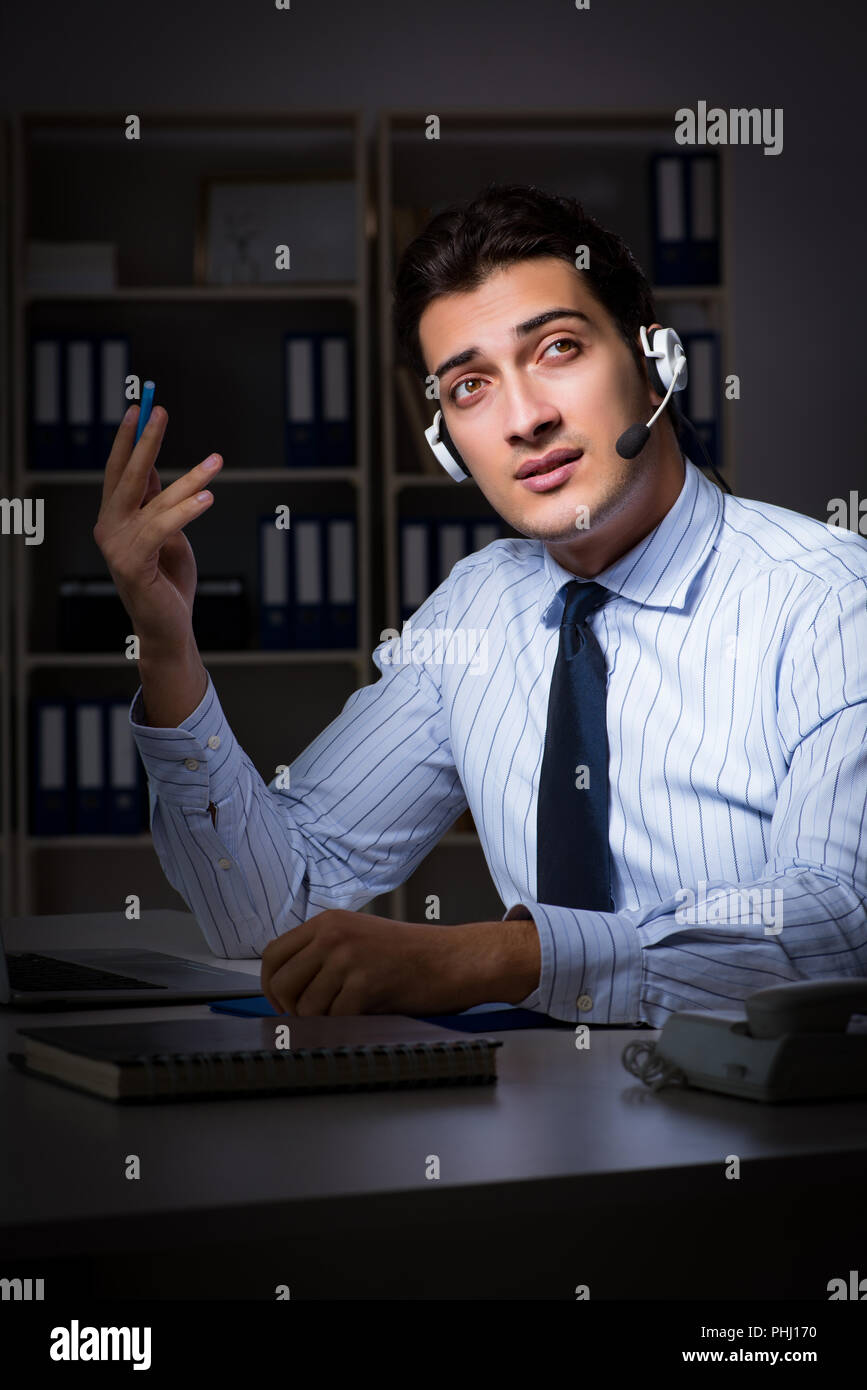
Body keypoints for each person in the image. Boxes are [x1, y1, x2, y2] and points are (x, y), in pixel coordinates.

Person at [93, 183, 867, 1022]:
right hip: (533, 1121)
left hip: (770, 1131)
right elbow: (276, 908)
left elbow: (839, 923)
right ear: (445, 445)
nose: (524, 420)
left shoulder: (827, 600)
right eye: (469, 387)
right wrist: (168, 646)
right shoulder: (474, 611)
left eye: (559, 348)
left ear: (656, 366)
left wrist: (497, 957)